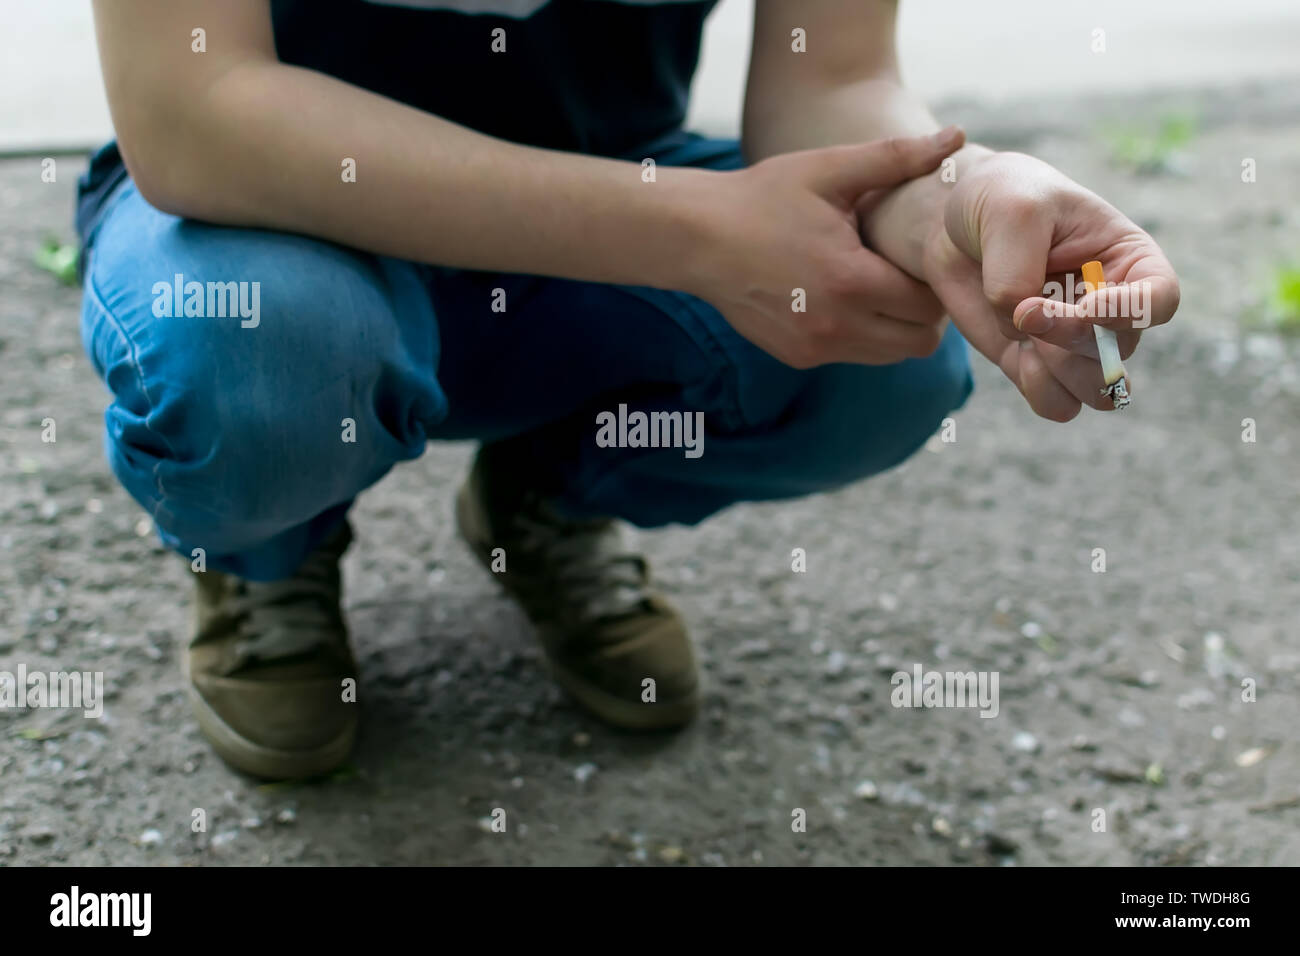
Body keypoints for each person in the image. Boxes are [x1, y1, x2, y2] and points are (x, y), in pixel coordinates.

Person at [78, 0, 1179, 779]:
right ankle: (269, 553)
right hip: (269, 226)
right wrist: (699, 235)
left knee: (879, 348)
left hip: (615, 205)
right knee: (256, 352)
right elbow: (194, 107)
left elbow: (832, 80)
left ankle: (553, 495)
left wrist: (963, 198)